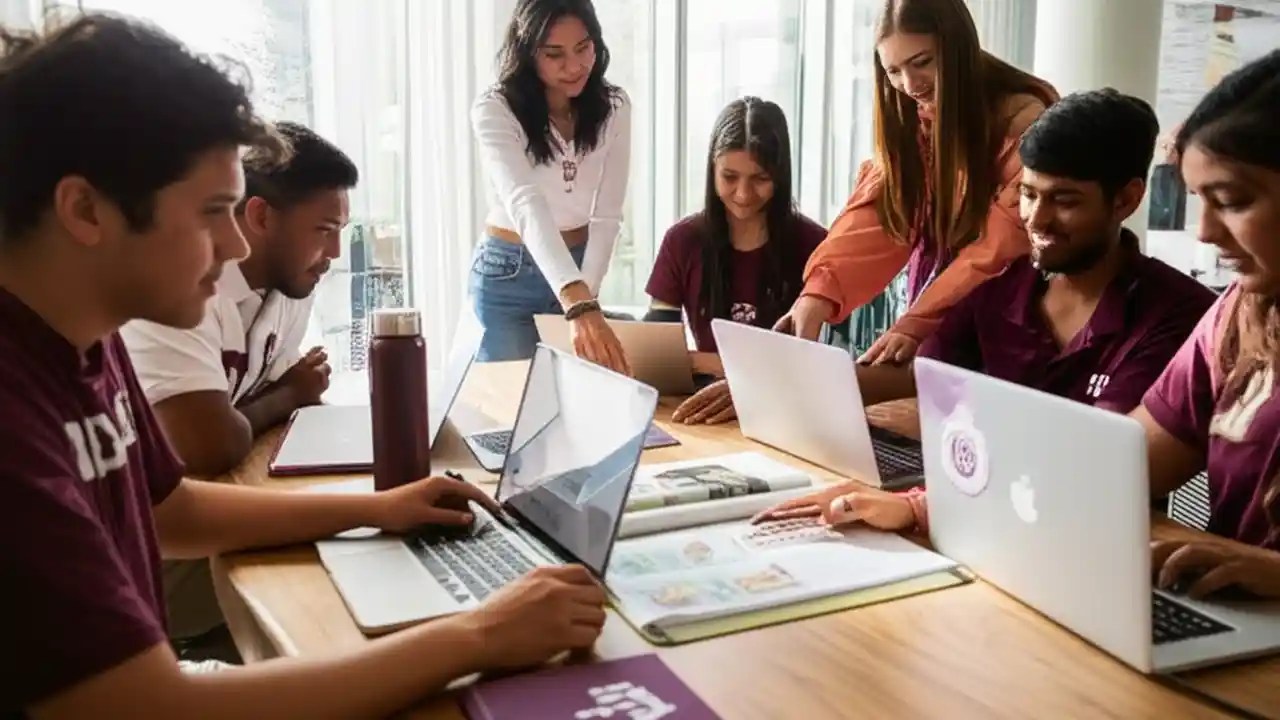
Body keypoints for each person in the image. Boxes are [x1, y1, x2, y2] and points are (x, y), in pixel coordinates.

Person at [0, 16, 606, 718]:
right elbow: (149, 706)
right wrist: (480, 635)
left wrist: (376, 509)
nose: (235, 246)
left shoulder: (82, 333)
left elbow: (169, 509)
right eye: (212, 212)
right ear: (85, 210)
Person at [763, 57, 1280, 602]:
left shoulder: (1181, 309)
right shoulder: (1234, 317)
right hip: (1221, 607)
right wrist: (919, 507)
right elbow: (1107, 473)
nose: (1204, 233)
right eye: (1027, 195)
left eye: (1232, 201)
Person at [774, 0, 1057, 365]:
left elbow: (1000, 246)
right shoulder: (913, 110)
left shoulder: (1025, 121)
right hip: (936, 295)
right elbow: (885, 209)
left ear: (957, 47)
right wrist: (818, 294)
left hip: (1006, 305)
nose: (909, 85)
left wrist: (917, 323)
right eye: (893, 70)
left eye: (922, 62)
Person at [122, 123, 356, 478]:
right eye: (324, 230)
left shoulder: (292, 282)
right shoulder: (180, 287)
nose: (335, 252)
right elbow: (203, 447)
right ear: (261, 216)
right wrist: (289, 394)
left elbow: (274, 402)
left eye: (340, 231)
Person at [471, 0, 631, 375]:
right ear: (528, 51)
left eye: (583, 48)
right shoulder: (495, 109)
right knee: (512, 399)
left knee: (577, 396)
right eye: (554, 54)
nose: (574, 66)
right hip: (509, 275)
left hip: (580, 264)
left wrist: (586, 297)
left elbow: (607, 214)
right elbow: (525, 203)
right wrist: (577, 301)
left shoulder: (615, 106)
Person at [641, 97, 826, 423]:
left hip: (785, 411)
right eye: (729, 177)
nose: (743, 194)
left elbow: (816, 363)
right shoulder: (682, 240)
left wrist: (701, 361)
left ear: (780, 176)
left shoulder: (815, 245)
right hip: (704, 408)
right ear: (712, 169)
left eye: (760, 179)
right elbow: (657, 354)